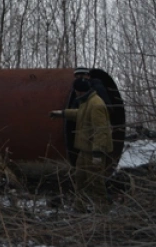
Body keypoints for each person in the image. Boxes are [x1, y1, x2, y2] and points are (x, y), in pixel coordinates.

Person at [50, 78, 114, 211]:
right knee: (80, 177)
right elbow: (81, 114)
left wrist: (98, 153)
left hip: (94, 151)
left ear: (79, 91)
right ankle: (80, 206)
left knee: (95, 180)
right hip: (85, 149)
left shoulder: (96, 104)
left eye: (76, 90)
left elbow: (101, 130)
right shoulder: (87, 102)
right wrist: (62, 113)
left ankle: (102, 208)